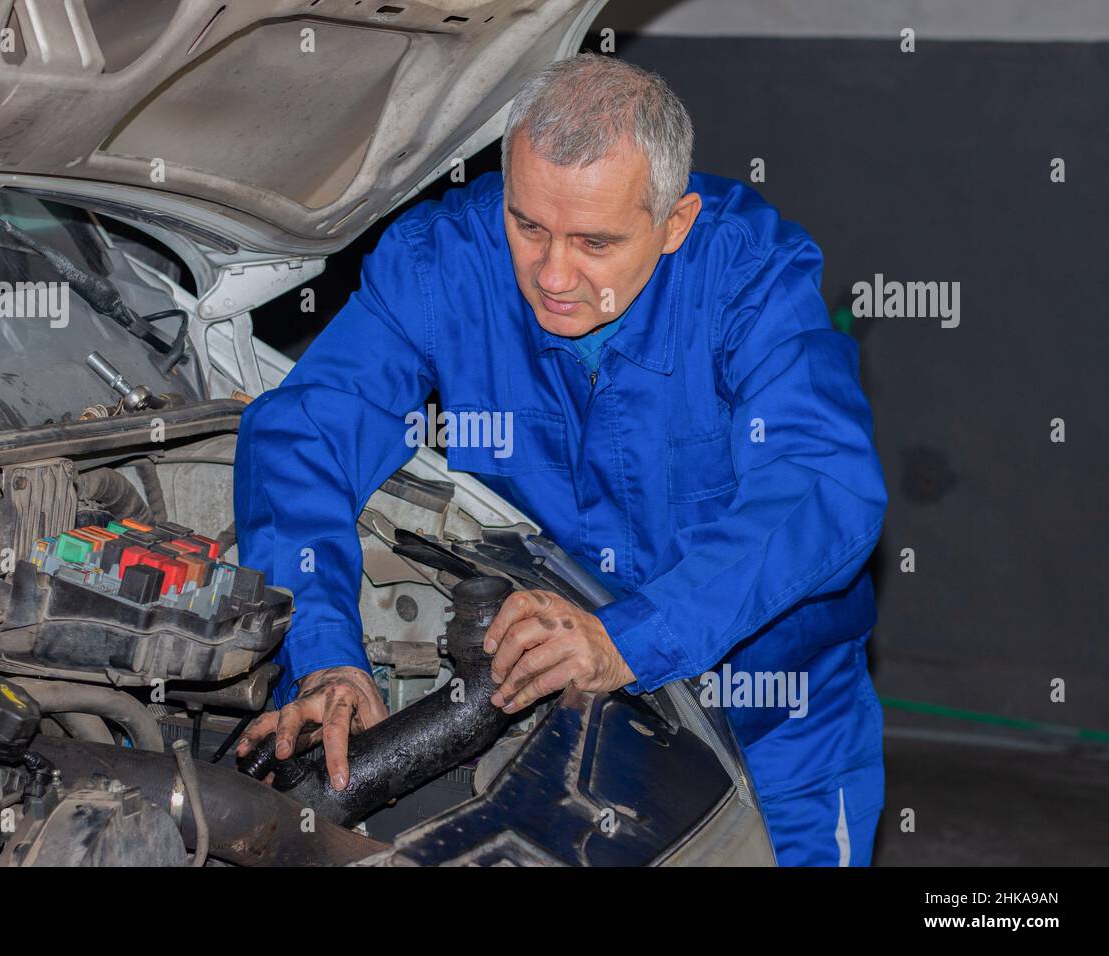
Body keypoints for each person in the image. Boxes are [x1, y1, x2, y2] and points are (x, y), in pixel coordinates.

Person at [233, 53, 888, 866]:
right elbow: (304, 434)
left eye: (595, 242)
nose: (553, 275)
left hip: (773, 724)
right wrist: (326, 655)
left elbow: (822, 485)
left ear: (675, 223)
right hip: (563, 722)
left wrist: (629, 637)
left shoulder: (750, 276)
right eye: (529, 225)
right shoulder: (445, 262)